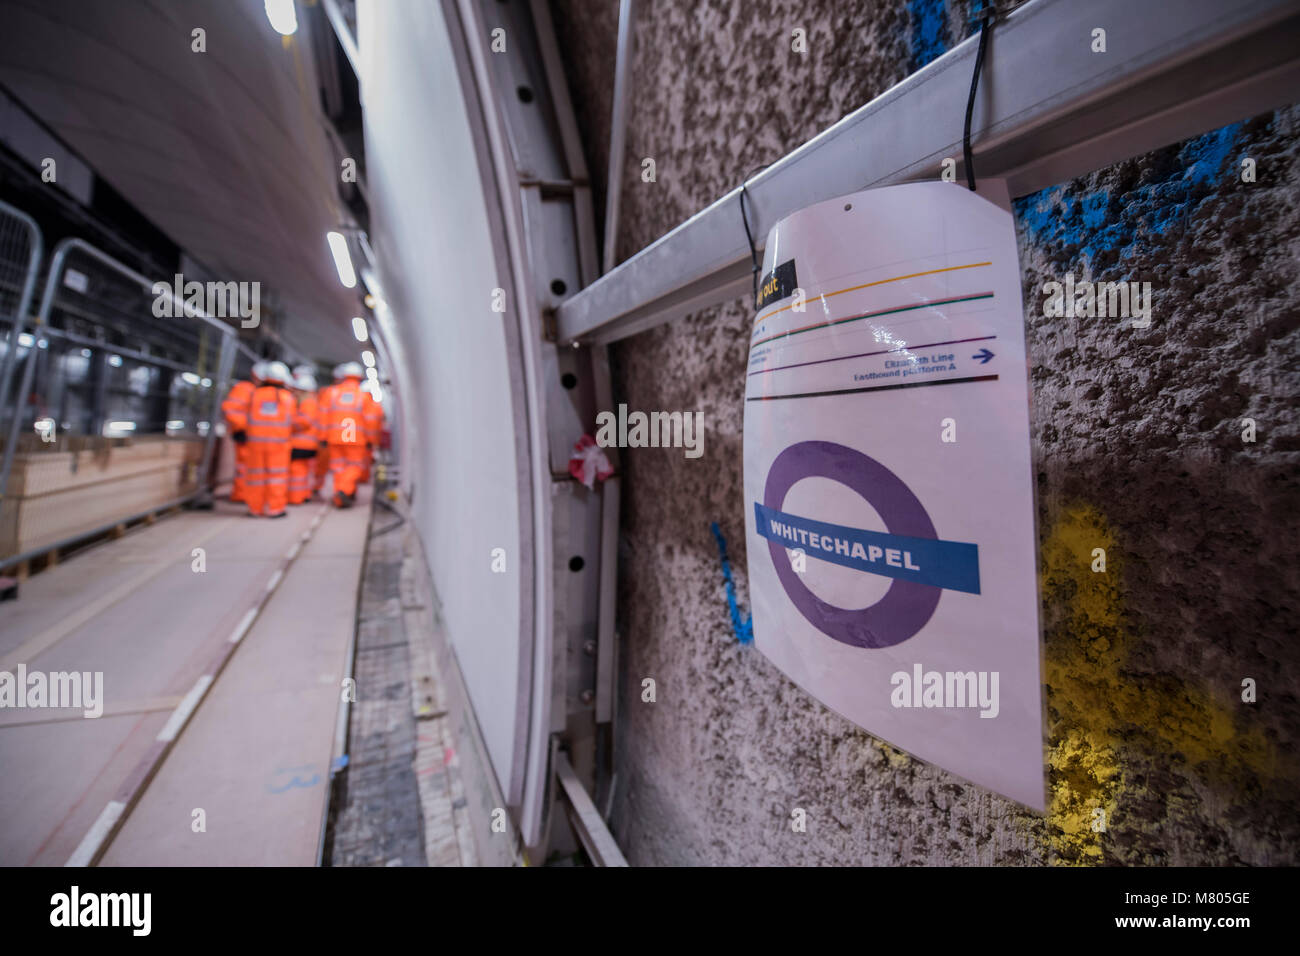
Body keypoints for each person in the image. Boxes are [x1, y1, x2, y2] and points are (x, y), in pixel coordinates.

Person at [243, 361, 296, 518]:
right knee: (277, 478)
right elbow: (292, 421)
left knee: (255, 477)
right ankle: (275, 509)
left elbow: (244, 416)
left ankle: (254, 508)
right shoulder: (288, 398)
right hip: (279, 445)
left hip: (255, 444)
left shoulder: (253, 395)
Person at [319, 361, 370, 507]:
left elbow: (323, 416)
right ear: (359, 378)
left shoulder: (331, 393)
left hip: (335, 437)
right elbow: (370, 420)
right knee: (354, 466)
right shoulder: (363, 396)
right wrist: (371, 439)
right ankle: (344, 490)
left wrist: (322, 437)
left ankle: (341, 495)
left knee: (338, 467)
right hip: (355, 438)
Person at [220, 362, 263, 503]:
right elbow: (230, 409)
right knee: (245, 467)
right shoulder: (244, 389)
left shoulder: (256, 391)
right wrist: (244, 427)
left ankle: (246, 494)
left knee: (251, 467)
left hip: (252, 435)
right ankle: (240, 495)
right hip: (244, 434)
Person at [288, 371, 320, 505]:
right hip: (306, 445)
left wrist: (288, 422)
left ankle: (295, 497)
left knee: (297, 472)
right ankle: (303, 495)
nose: (294, 393)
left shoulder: (308, 403)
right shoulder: (310, 402)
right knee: (303, 472)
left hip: (301, 445)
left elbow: (305, 422)